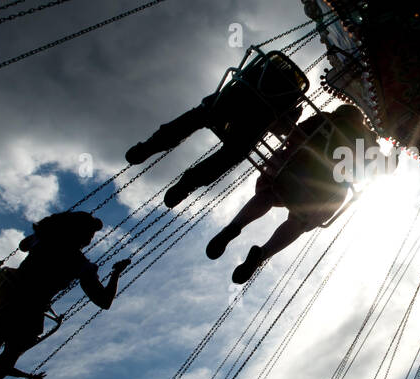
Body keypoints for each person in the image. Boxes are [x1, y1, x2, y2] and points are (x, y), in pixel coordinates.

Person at [0, 212, 129, 379]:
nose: (90, 239)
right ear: (80, 233)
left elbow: (23, 245)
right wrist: (116, 273)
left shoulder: (43, 239)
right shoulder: (80, 264)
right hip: (26, 313)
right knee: (14, 349)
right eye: (90, 234)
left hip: (1, 299)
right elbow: (104, 301)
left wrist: (46, 232)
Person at [208, 104, 376, 284]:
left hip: (293, 169)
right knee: (299, 221)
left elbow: (294, 134)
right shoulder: (366, 141)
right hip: (324, 190)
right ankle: (263, 253)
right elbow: (364, 173)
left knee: (268, 194)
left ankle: (234, 227)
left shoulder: (324, 118)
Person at [125, 51, 305, 209]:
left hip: (227, 103)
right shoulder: (294, 98)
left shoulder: (262, 68)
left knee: (200, 115)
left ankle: (150, 146)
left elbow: (239, 74)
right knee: (234, 153)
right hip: (249, 125)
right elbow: (282, 127)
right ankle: (188, 183)